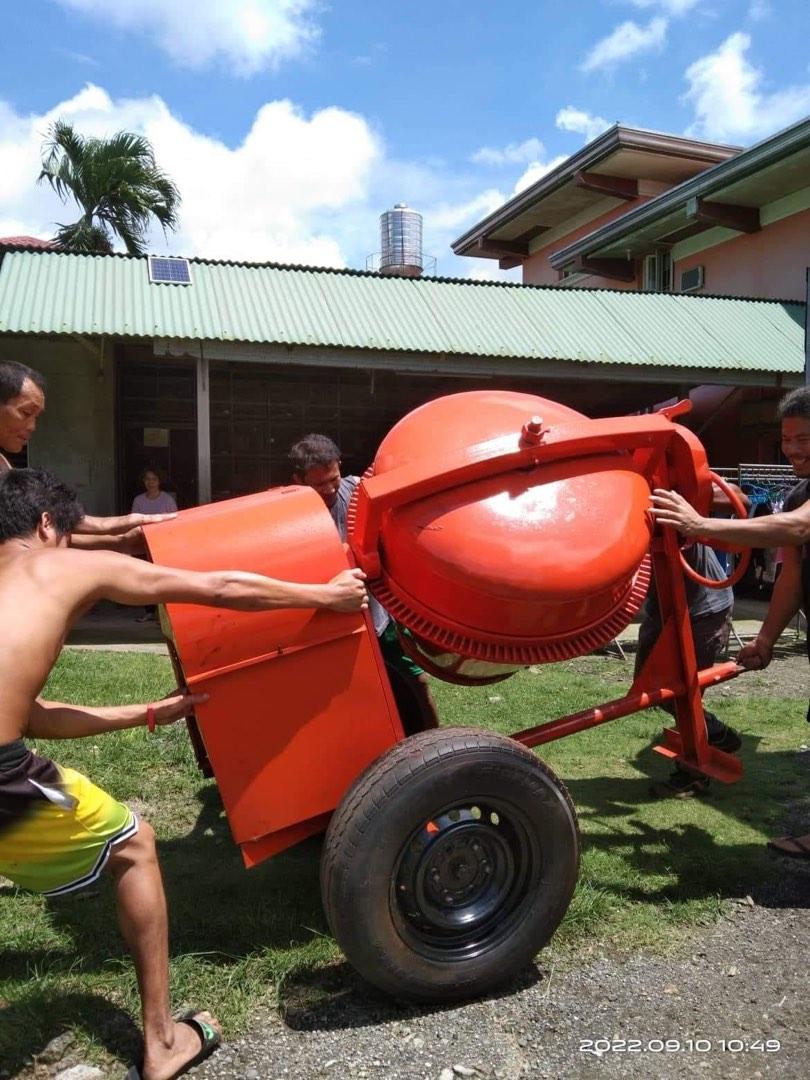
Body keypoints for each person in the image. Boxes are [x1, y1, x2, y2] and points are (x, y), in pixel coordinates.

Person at [0, 468, 368, 1080]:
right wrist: (323, 597)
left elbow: (28, 716)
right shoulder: (65, 565)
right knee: (134, 845)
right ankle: (163, 1042)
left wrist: (148, 713)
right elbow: (216, 586)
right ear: (46, 525)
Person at [650, 385, 810, 857]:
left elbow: (799, 527)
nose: (793, 449)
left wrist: (700, 525)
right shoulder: (800, 489)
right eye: (787, 439)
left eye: (804, 438)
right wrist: (764, 638)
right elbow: (793, 574)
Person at [288, 433, 440, 731]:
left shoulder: (360, 491)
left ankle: (435, 750)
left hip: (378, 616)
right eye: (320, 485)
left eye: (334, 478)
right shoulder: (289, 514)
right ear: (298, 480)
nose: (331, 489)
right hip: (329, 621)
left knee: (415, 683)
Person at [637, 484, 747, 798]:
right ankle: (714, 733)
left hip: (703, 607)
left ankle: (694, 774)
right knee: (650, 690)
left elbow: (741, 499)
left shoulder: (660, 492)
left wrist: (691, 492)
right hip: (664, 607)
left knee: (681, 693)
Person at [0, 360, 175, 553]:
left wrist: (119, 540)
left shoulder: (4, 465)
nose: (32, 426)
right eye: (25, 413)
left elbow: (43, 537)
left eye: (36, 417)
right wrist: (113, 532)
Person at [132, 468, 179, 623]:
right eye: (147, 479)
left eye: (154, 479)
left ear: (159, 481)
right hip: (143, 543)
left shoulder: (167, 500)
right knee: (145, 578)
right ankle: (149, 612)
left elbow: (174, 521)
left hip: (163, 545)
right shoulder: (139, 500)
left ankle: (163, 614)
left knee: (163, 579)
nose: (150, 482)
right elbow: (133, 521)